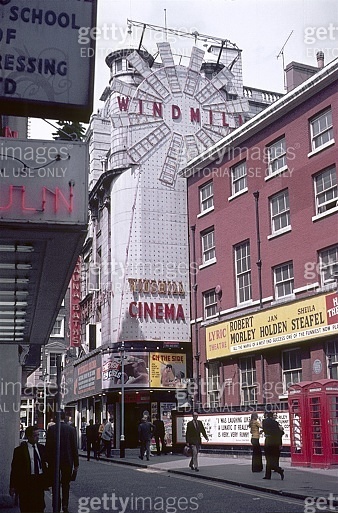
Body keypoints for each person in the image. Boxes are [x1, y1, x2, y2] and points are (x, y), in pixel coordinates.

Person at [45, 411, 79, 513]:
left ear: (56, 417)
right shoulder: (71, 429)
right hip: (67, 460)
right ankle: (65, 505)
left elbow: (48, 446)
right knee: (66, 484)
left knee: (55, 484)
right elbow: (74, 447)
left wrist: (46, 461)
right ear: (65, 418)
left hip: (54, 461)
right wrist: (76, 464)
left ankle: (56, 505)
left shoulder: (51, 429)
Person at [9, 425, 48, 513]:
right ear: (29, 436)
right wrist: (12, 486)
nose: (37, 438)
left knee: (40, 506)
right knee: (26, 506)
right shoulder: (19, 451)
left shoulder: (42, 448)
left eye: (38, 435)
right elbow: (15, 469)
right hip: (26, 481)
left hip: (39, 480)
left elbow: (46, 463)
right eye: (35, 435)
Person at [262, 411, 284, 481]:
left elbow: (265, 429)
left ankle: (269, 475)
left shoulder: (264, 421)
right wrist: (281, 431)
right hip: (275, 442)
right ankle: (277, 470)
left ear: (267, 415)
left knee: (268, 459)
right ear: (272, 416)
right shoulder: (275, 423)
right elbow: (279, 433)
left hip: (268, 441)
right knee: (273, 459)